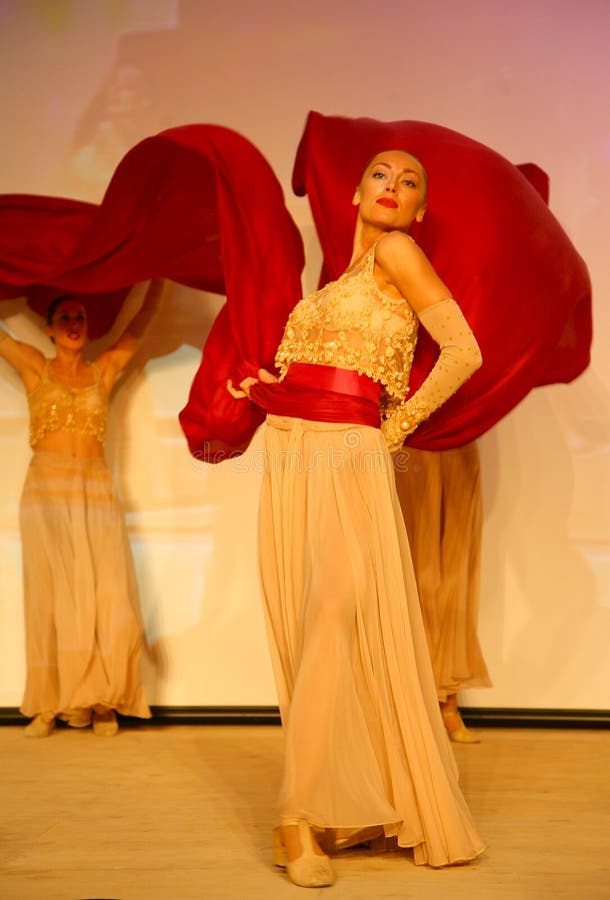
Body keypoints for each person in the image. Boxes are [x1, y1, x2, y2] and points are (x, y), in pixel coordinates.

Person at [228, 150, 486, 888]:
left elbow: (464, 351)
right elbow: (311, 367)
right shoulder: (335, 283)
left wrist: (395, 426)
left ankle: (295, 815)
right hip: (290, 450)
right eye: (382, 174)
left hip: (347, 451)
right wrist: (267, 385)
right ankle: (340, 801)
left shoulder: (400, 252)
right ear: (354, 191)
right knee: (306, 621)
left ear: (418, 211)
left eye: (410, 182)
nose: (394, 186)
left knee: (332, 617)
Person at [0, 279, 166, 738]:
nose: (74, 324)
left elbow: (142, 323)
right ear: (49, 329)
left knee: (107, 597)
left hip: (95, 489)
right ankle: (48, 704)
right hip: (46, 491)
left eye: (80, 317)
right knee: (50, 596)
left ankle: (102, 700)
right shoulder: (35, 367)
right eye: (65, 318)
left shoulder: (104, 370)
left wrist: (161, 276)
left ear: (88, 328)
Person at [394, 442, 492, 743]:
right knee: (409, 571)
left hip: (457, 439)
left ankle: (447, 703)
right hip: (408, 441)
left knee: (453, 574)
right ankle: (407, 707)